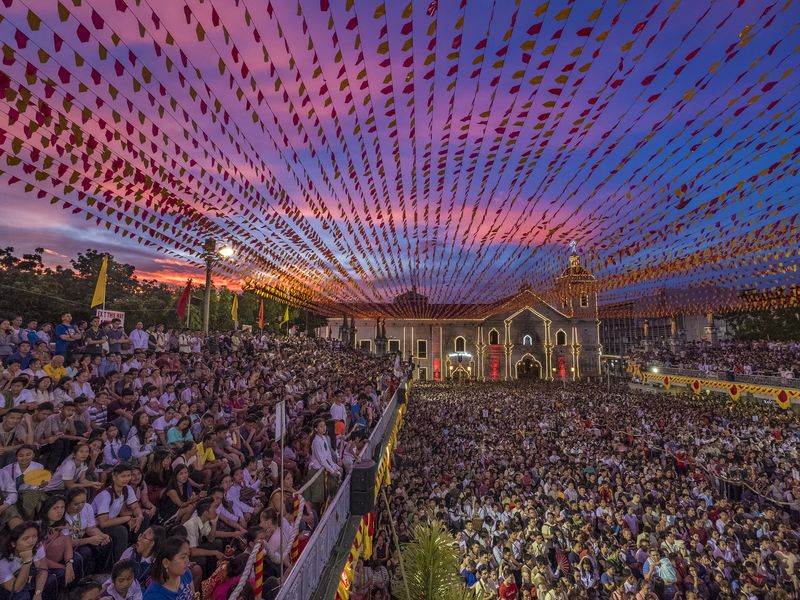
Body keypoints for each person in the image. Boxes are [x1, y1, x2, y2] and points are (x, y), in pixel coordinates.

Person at [92, 465, 145, 563]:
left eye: (128, 476)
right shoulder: (105, 495)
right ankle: (120, 562)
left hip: (113, 520)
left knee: (144, 516)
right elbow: (103, 523)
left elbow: (135, 507)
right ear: (114, 477)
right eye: (123, 476)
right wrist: (127, 518)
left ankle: (135, 547)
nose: (126, 479)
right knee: (120, 530)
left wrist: (139, 516)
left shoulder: (127, 489)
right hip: (98, 525)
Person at [0, 521, 55, 600]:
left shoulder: (36, 546)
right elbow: (16, 589)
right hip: (12, 590)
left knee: (51, 579)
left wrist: (38, 593)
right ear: (13, 543)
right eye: (26, 538)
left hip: (30, 582)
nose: (31, 541)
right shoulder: (3, 563)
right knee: (23, 596)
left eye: (34, 536)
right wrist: (27, 562)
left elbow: (43, 570)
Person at [304, 418, 341, 508]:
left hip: (323, 470)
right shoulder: (316, 442)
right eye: (321, 426)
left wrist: (334, 465)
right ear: (316, 429)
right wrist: (332, 471)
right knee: (316, 498)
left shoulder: (324, 438)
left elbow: (328, 456)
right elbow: (322, 460)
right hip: (316, 471)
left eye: (324, 426)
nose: (324, 428)